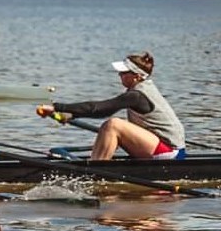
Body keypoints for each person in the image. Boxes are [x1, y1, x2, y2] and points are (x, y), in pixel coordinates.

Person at [36, 51, 187, 161]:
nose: (119, 75)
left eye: (123, 72)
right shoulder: (138, 91)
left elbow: (99, 109)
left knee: (113, 125)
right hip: (161, 146)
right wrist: (70, 115)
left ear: (138, 76)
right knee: (112, 127)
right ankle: (98, 161)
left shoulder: (136, 96)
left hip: (169, 153)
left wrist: (57, 107)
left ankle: (94, 172)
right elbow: (98, 110)